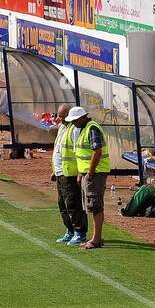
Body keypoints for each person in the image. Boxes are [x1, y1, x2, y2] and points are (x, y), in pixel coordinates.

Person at [67, 105, 109, 250]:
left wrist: (89, 173)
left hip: (95, 173)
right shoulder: (84, 129)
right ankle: (95, 237)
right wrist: (82, 173)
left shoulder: (91, 128)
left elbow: (97, 152)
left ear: (81, 118)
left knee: (95, 206)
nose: (72, 123)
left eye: (74, 120)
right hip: (89, 173)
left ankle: (96, 239)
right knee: (92, 206)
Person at [50, 104, 87, 245]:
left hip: (70, 173)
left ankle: (79, 232)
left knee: (73, 203)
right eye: (59, 116)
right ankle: (70, 230)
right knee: (62, 203)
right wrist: (54, 170)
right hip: (60, 171)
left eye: (62, 116)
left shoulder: (74, 129)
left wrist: (79, 172)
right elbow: (58, 150)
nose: (59, 119)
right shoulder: (62, 128)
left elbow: (78, 151)